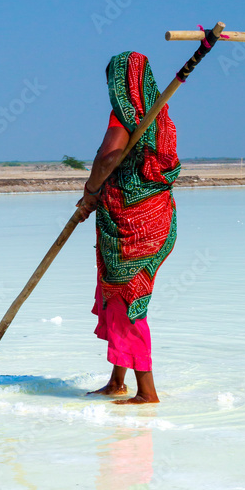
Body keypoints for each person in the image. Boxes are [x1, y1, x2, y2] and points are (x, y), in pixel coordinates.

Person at [77, 51, 181, 404]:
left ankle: (147, 392)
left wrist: (90, 192)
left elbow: (109, 157)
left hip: (132, 229)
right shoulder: (159, 118)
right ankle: (117, 382)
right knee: (118, 297)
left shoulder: (124, 117)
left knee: (127, 300)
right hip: (156, 219)